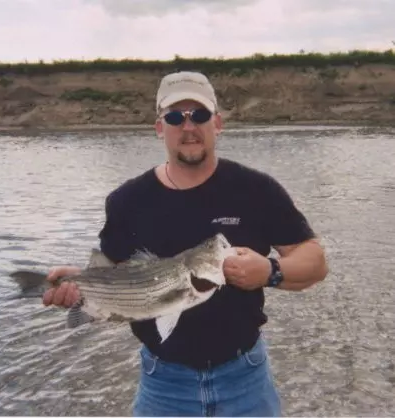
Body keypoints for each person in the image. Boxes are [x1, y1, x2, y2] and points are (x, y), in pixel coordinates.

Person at [42, 71, 328, 417]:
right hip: (163, 385)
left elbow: (314, 260)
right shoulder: (126, 200)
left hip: (246, 379)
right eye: (176, 117)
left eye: (201, 115)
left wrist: (269, 270)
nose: (188, 127)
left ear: (218, 123)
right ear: (160, 127)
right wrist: (84, 284)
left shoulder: (256, 189)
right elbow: (123, 279)